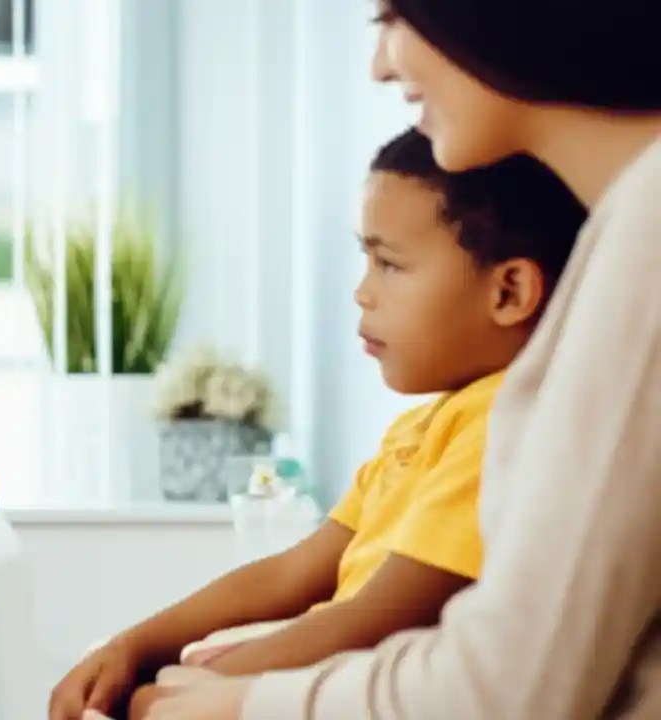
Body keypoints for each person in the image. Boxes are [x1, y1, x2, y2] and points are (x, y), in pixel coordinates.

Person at [132, 1, 661, 718]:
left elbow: (509, 688)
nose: (379, 62)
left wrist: (230, 705)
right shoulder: (627, 233)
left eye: (392, 16)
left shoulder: (646, 245)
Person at [49, 126, 584, 720]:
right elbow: (292, 574)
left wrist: (201, 686)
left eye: (388, 264)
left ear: (508, 291)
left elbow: (375, 620)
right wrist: (136, 645)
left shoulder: (502, 425)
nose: (363, 294)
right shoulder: (424, 426)